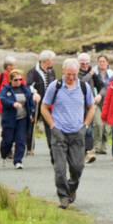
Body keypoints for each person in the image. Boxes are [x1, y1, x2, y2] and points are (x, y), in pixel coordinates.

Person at [40, 58, 95, 210]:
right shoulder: (55, 86)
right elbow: (44, 108)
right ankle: (63, 197)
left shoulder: (84, 87)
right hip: (59, 133)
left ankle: (72, 186)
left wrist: (85, 126)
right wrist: (52, 126)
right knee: (59, 169)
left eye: (74, 74)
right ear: (63, 71)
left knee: (77, 167)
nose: (71, 77)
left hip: (77, 133)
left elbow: (91, 107)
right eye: (69, 74)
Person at [0, 68, 35, 170]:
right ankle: (4, 155)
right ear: (11, 80)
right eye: (16, 80)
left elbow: (30, 102)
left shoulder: (25, 89)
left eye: (20, 79)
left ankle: (18, 160)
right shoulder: (6, 89)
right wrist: (12, 103)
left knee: (21, 140)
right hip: (9, 119)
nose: (18, 82)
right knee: (8, 140)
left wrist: (31, 112)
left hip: (22, 119)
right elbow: (2, 99)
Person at [26, 51, 56, 158]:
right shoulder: (33, 71)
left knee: (50, 124)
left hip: (48, 104)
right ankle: (29, 148)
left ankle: (52, 147)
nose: (53, 62)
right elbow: (28, 85)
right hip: (37, 103)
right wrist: (34, 93)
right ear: (46, 61)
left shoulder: (51, 71)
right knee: (31, 124)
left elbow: (54, 84)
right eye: (52, 60)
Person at [89, 55, 113, 155]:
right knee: (97, 123)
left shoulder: (112, 74)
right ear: (97, 62)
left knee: (107, 126)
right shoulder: (93, 72)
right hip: (96, 101)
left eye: (104, 61)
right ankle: (97, 146)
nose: (102, 63)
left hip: (109, 102)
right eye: (100, 61)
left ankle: (104, 145)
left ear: (107, 62)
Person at [0, 54, 17, 140]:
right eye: (13, 65)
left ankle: (12, 149)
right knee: (2, 130)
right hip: (1, 108)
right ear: (8, 66)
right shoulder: (0, 76)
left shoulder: (18, 76)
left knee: (13, 130)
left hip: (14, 108)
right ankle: (4, 151)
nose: (15, 67)